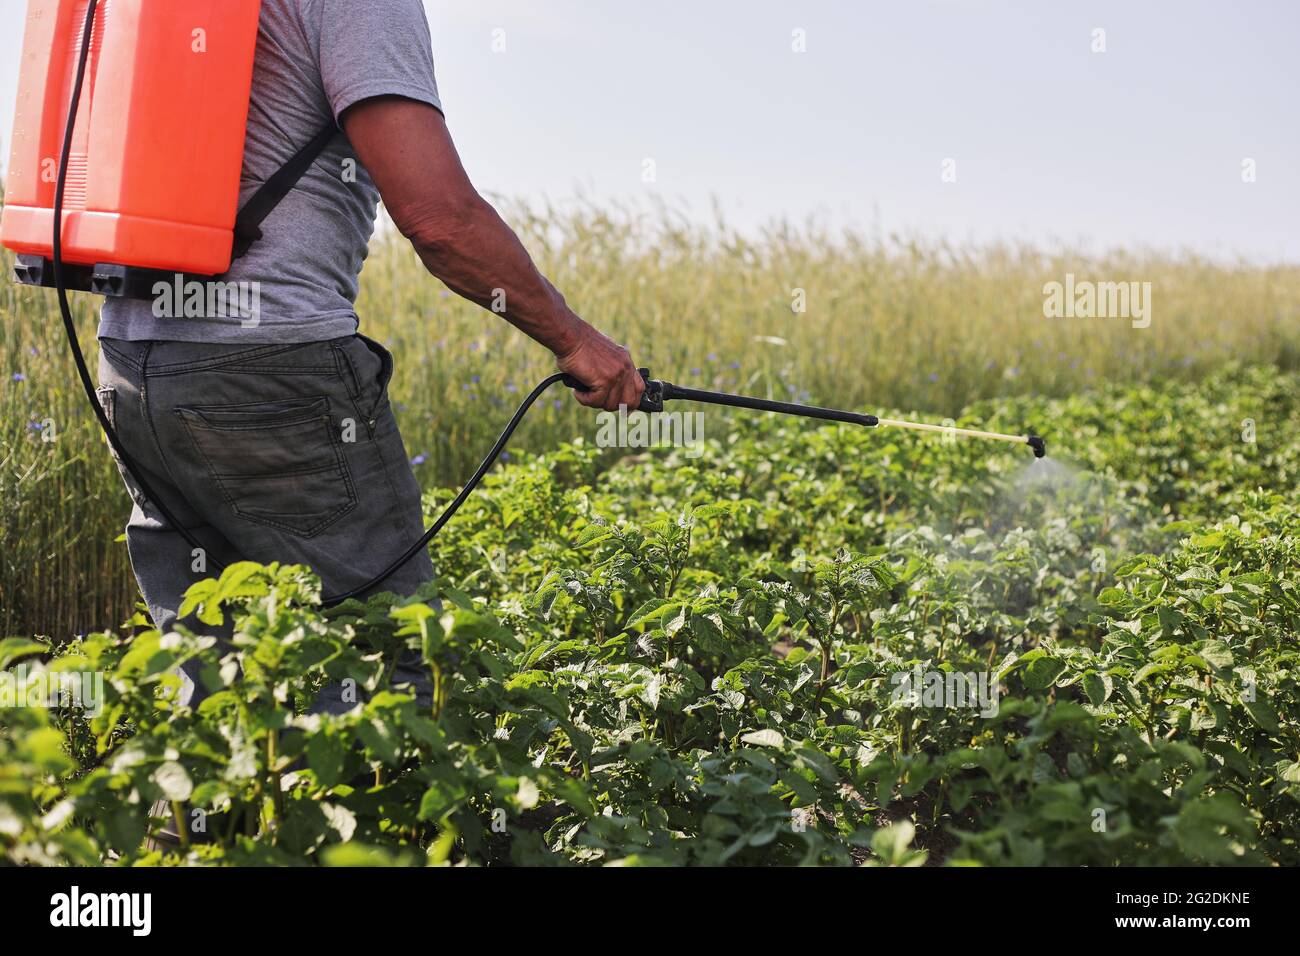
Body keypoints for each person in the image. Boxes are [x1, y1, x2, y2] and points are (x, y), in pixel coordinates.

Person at [95, 0, 645, 712]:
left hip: (131, 366)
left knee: (213, 685)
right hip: (269, 374)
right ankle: (380, 819)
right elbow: (440, 221)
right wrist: (574, 340)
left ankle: (207, 817)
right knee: (385, 668)